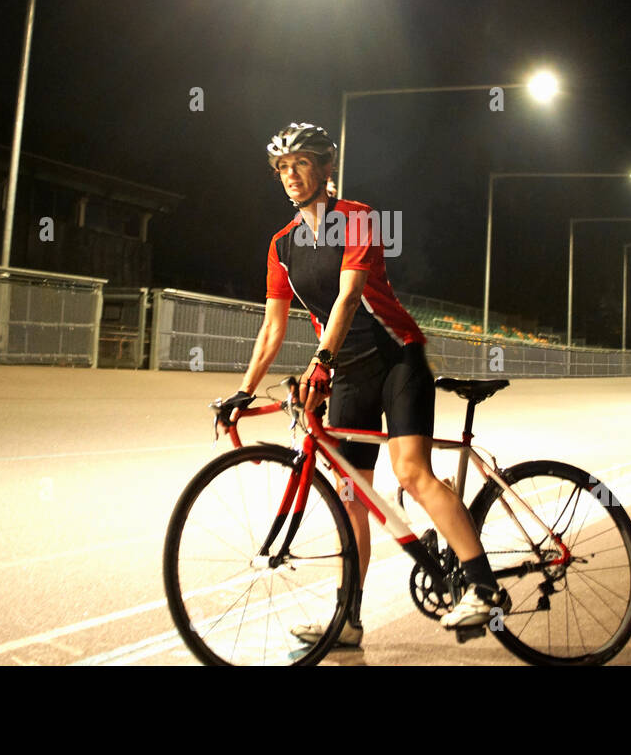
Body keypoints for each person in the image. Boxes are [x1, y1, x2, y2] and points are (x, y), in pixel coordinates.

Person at [215, 123, 507, 647]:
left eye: (302, 163)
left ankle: (484, 589)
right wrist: (243, 389)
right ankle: (347, 621)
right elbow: (272, 327)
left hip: (397, 358)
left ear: (326, 170)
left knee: (412, 472)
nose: (291, 175)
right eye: (283, 167)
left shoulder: (358, 219)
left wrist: (320, 361)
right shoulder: (281, 246)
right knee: (352, 494)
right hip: (347, 371)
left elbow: (350, 299)